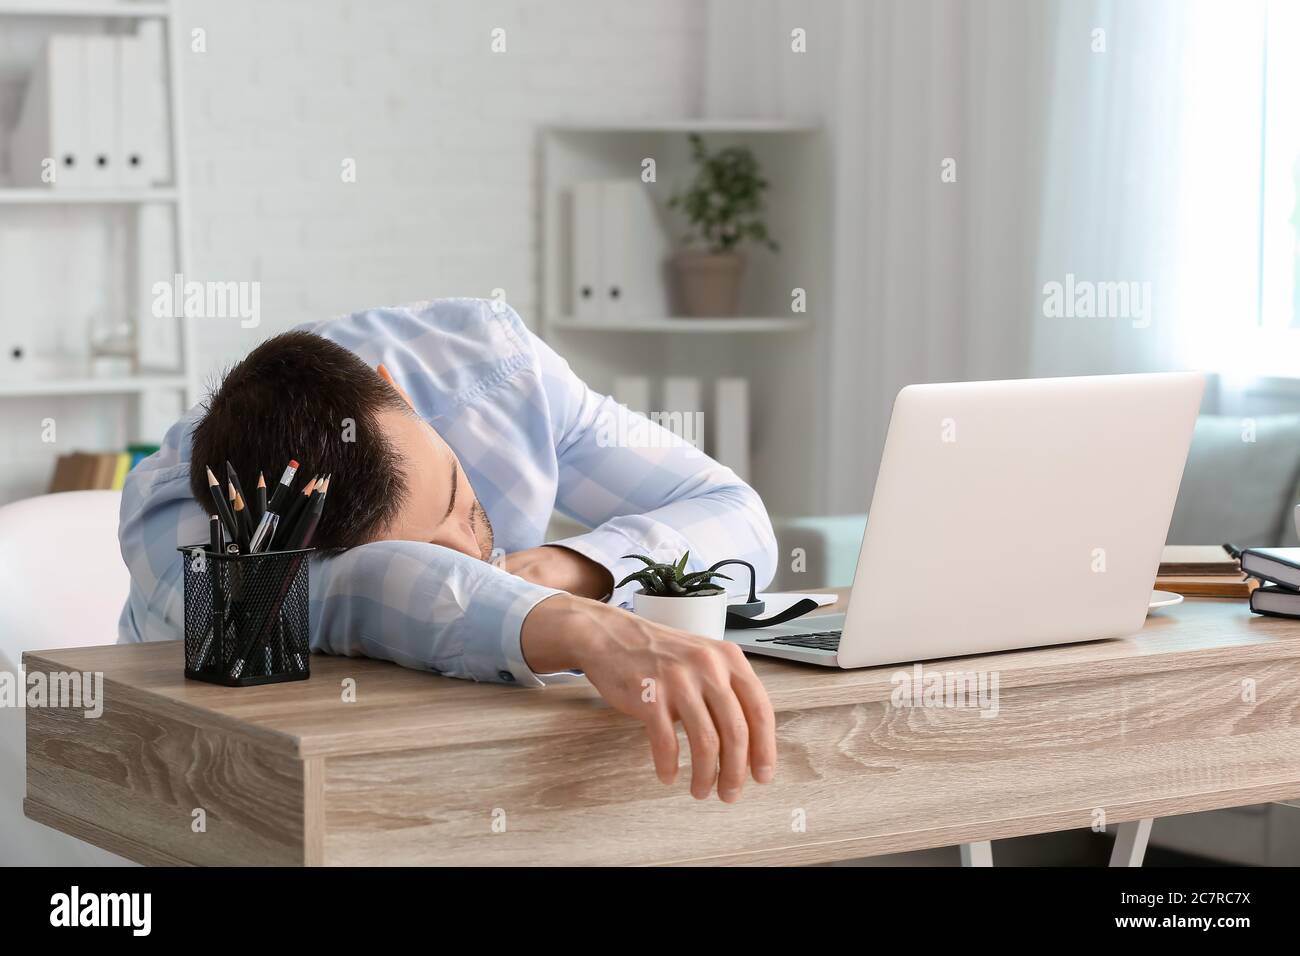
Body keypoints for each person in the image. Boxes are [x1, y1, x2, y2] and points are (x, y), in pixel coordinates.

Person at [119, 298, 779, 803]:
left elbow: (736, 518)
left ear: (399, 391)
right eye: (428, 549)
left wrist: (571, 567)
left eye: (459, 501)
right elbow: (356, 597)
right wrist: (569, 620)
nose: (470, 555)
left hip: (486, 749)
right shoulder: (181, 515)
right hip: (208, 783)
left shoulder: (499, 368)